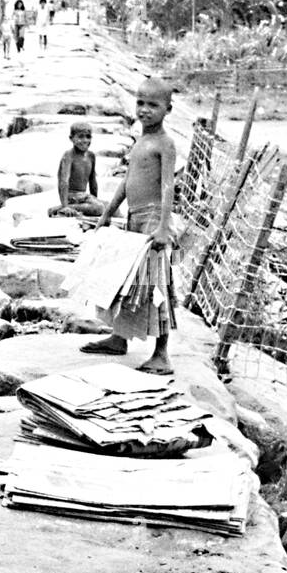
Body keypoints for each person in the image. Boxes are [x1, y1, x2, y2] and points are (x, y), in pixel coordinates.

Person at [79, 77, 178, 375]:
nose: (145, 110)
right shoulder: (141, 140)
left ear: (168, 109)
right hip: (134, 218)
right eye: (141, 103)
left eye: (153, 105)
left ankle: (161, 353)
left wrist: (162, 228)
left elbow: (168, 187)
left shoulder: (165, 144)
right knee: (126, 281)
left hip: (152, 221)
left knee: (156, 285)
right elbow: (128, 179)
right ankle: (119, 337)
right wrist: (109, 211)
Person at [52, 121, 106, 217]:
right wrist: (65, 206)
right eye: (80, 137)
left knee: (111, 207)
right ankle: (61, 208)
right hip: (71, 197)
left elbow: (93, 181)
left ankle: (63, 208)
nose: (85, 140)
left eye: (88, 136)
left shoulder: (91, 156)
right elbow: (63, 181)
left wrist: (95, 199)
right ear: (71, 139)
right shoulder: (68, 156)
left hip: (84, 197)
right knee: (100, 208)